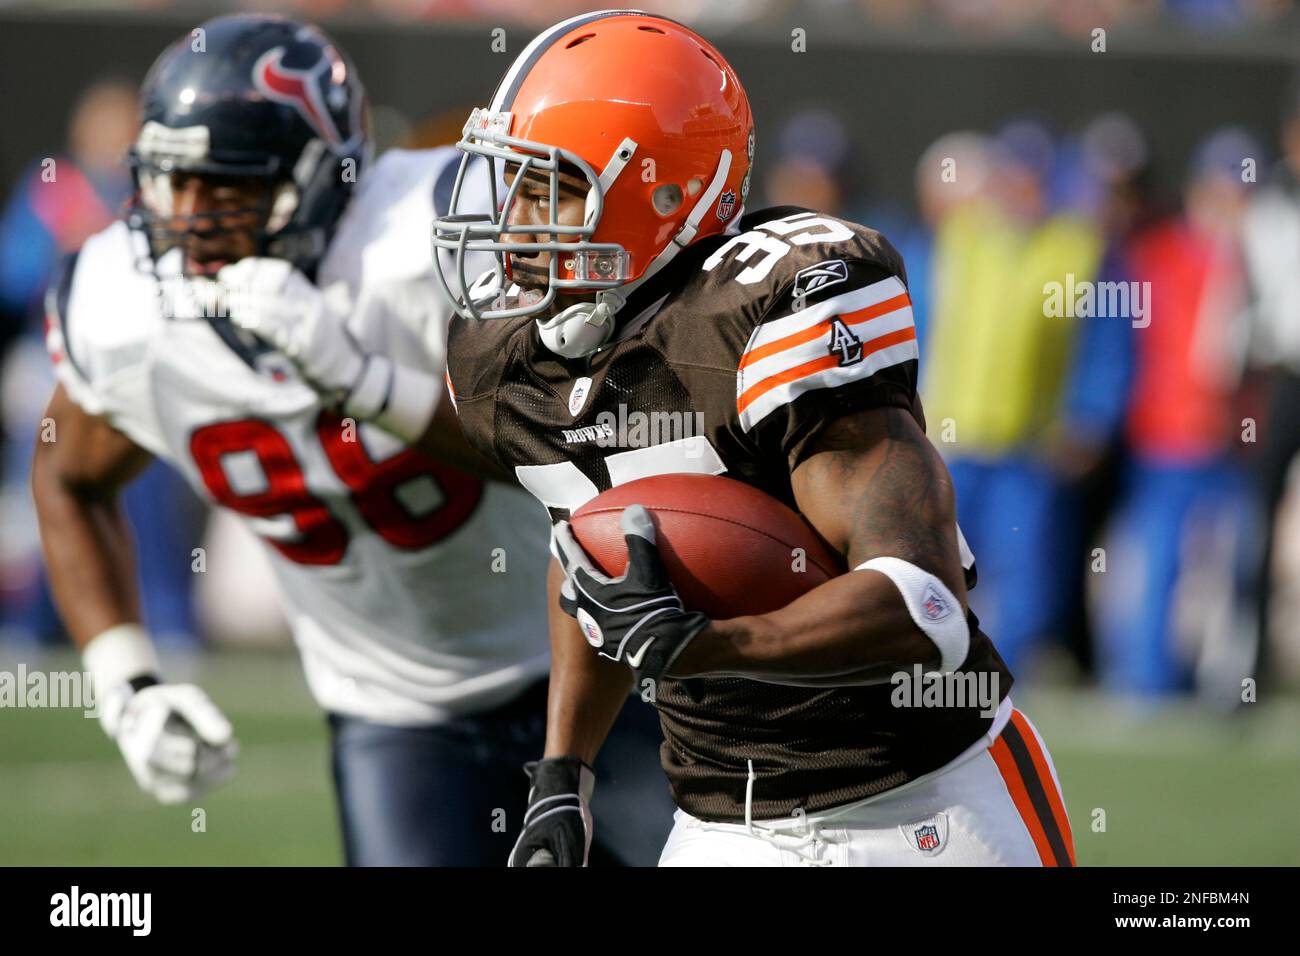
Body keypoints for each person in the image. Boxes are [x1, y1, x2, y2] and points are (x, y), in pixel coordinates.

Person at [436, 10, 1074, 867]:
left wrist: (712, 645)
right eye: (511, 184)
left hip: (925, 801)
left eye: (552, 187)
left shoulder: (775, 307)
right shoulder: (510, 360)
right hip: (719, 824)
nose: (515, 220)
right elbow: (591, 548)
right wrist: (563, 774)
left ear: (665, 193)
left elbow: (926, 607)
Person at [32, 13, 670, 867]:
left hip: (601, 657)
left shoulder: (431, 239)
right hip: (393, 714)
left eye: (224, 189)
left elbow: (575, 438)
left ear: (318, 177)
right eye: (167, 184)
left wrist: (364, 382)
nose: (186, 221)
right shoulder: (122, 306)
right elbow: (67, 477)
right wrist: (126, 684)